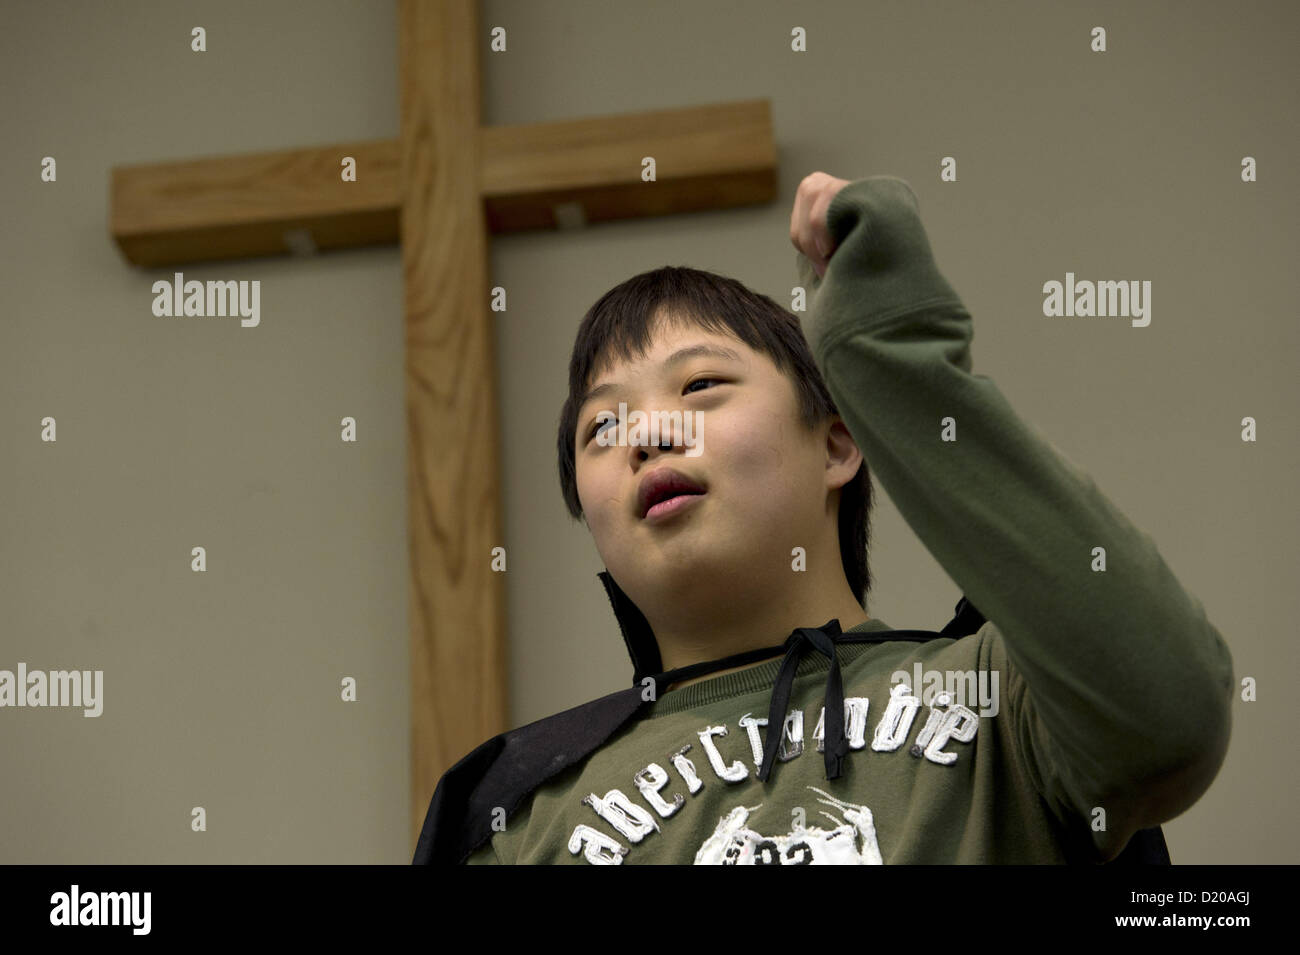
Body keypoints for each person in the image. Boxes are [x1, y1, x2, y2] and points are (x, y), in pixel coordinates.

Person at [415, 173, 1233, 864]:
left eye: (699, 387)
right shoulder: (520, 816)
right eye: (603, 426)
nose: (648, 434)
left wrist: (891, 357)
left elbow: (1172, 717)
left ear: (840, 444)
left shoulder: (1007, 698)